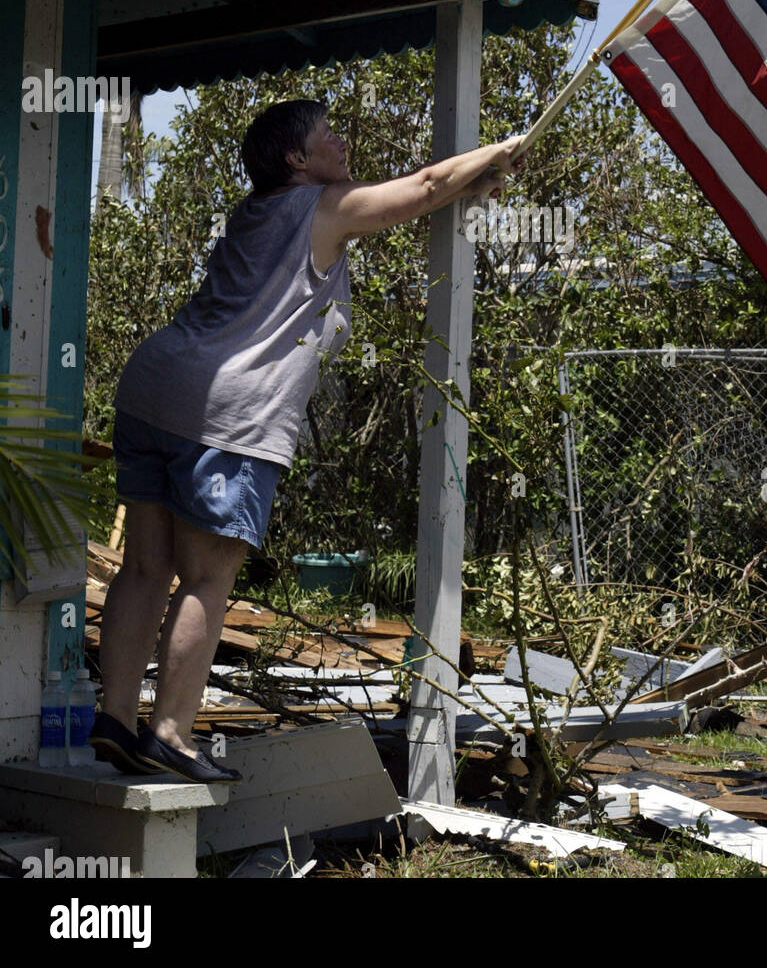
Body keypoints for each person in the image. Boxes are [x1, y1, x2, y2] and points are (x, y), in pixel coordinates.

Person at [90, 99, 523, 782]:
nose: (342, 143)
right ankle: (169, 734)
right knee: (206, 575)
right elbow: (424, 186)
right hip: (222, 412)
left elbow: (425, 196)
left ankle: (115, 719)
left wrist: (473, 180)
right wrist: (498, 150)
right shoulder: (321, 206)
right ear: (296, 159)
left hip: (153, 386)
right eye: (328, 135)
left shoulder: (259, 212)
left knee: (145, 567)